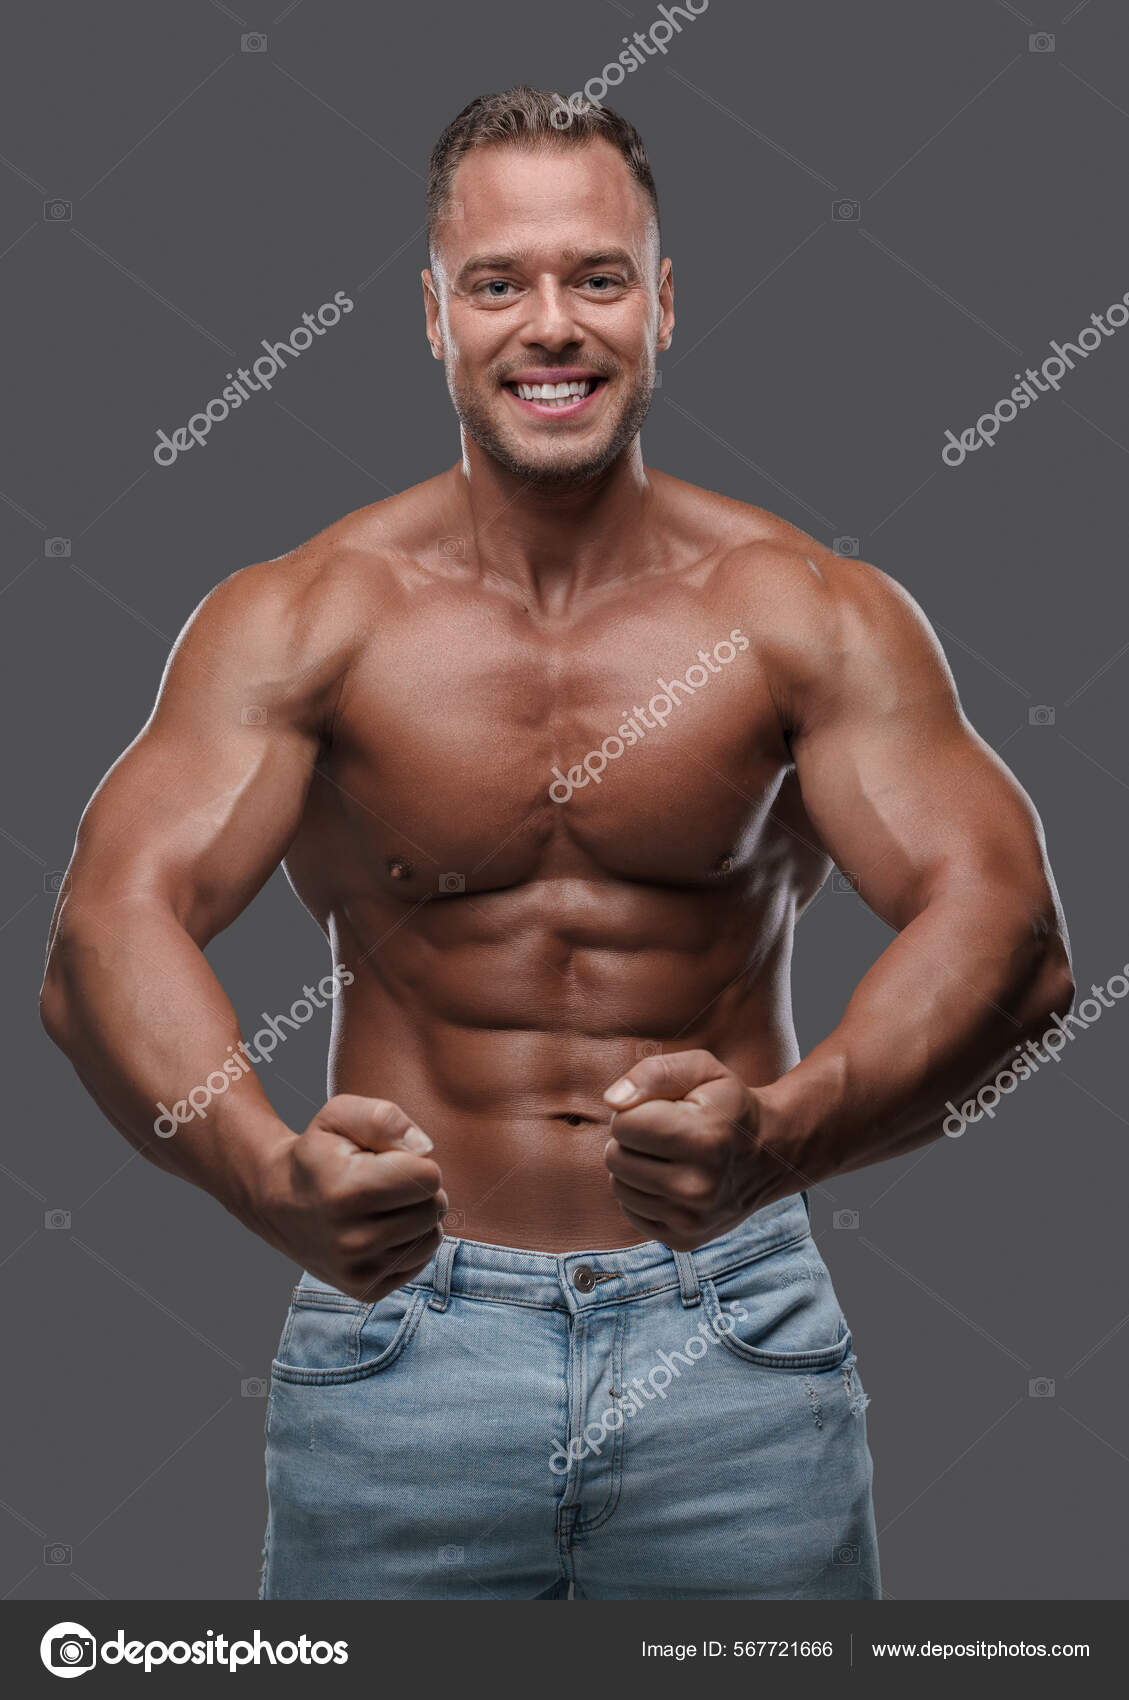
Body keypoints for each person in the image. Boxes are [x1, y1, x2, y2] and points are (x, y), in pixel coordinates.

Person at [41, 88, 1073, 1600]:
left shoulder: (802, 611)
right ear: (432, 314)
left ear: (663, 303)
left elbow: (1010, 932)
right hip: (402, 1333)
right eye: (497, 282)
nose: (551, 326)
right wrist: (266, 1176)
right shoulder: (303, 616)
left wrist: (782, 1138)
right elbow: (104, 931)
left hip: (729, 1333)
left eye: (597, 277)